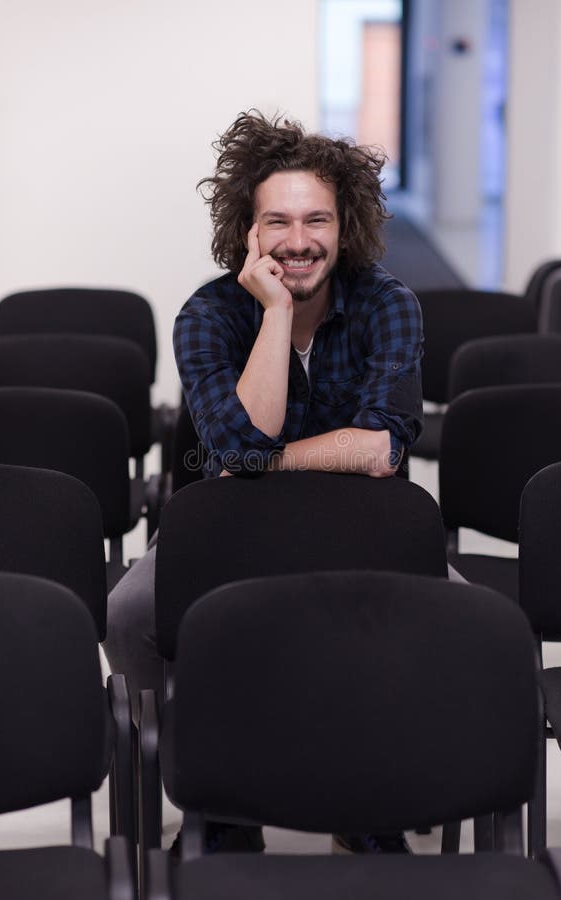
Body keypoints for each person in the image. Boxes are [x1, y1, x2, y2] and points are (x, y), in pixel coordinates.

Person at [105, 109, 423, 855]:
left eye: (316, 219)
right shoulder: (209, 315)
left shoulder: (389, 306)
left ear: (345, 224)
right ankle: (212, 788)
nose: (298, 241)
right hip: (228, 534)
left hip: (359, 530)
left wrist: (265, 462)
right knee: (127, 614)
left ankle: (375, 797)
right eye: (276, 221)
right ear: (246, 232)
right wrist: (275, 311)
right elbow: (242, 438)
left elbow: (378, 450)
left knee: (467, 620)